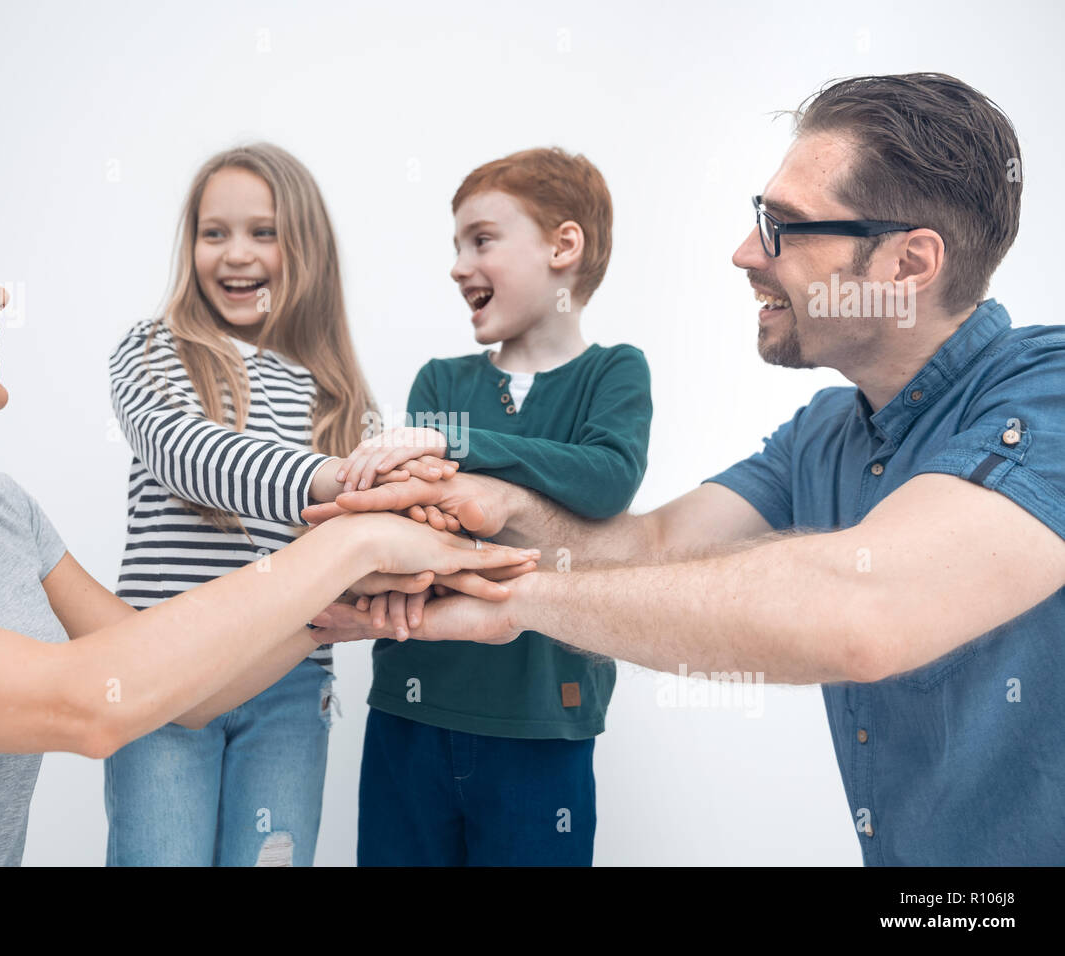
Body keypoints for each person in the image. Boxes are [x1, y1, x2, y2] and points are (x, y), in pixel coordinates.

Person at [308, 73, 1065, 866]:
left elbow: (863, 609)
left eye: (786, 228)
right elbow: (647, 545)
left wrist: (520, 603)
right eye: (757, 219)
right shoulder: (823, 436)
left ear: (908, 265)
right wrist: (487, 498)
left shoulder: (1047, 396)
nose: (746, 253)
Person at [0, 162, 537, 866]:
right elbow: (89, 702)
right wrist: (358, 524)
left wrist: (357, 607)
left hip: (264, 681)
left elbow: (188, 693)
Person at [102, 142, 477, 867]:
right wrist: (343, 479)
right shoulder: (154, 349)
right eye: (214, 233)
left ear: (304, 247)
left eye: (262, 232)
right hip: (164, 669)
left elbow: (361, 544)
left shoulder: (338, 393)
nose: (235, 254)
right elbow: (186, 452)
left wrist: (411, 526)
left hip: (291, 684)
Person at [331, 147, 651, 865]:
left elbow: (606, 480)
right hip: (409, 713)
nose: (457, 265)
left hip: (544, 725)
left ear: (564, 246)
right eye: (455, 246)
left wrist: (453, 445)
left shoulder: (616, 371)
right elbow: (419, 517)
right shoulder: (440, 380)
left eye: (481, 239)